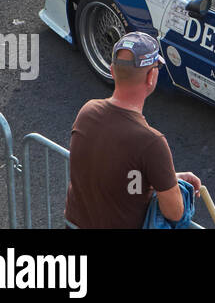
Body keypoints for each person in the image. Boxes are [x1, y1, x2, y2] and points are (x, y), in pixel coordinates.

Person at [64, 32, 201, 229]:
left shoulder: (87, 112)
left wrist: (169, 177)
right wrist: (173, 187)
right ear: (151, 77)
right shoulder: (151, 142)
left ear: (112, 71)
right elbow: (174, 212)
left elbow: (115, 175)